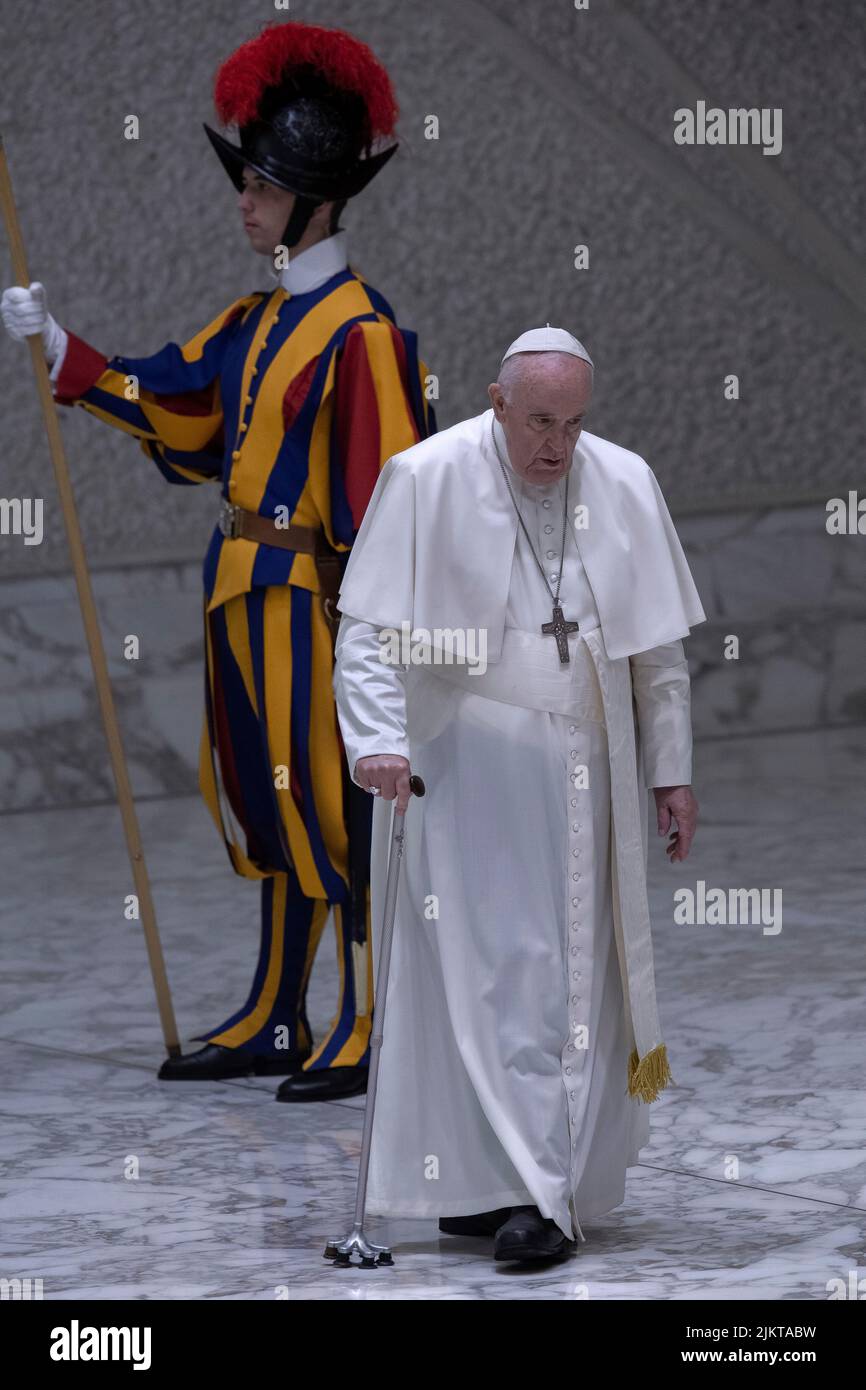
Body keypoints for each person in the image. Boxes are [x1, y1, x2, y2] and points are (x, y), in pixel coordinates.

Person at [1, 20, 435, 1101]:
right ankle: (275, 1011)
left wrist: (379, 639)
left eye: (263, 183)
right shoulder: (260, 315)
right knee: (265, 795)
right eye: (245, 179)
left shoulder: (361, 334)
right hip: (242, 594)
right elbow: (182, 403)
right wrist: (60, 350)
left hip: (317, 605)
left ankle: (367, 1015)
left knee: (337, 809)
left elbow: (394, 502)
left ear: (318, 200)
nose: (243, 199)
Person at [332, 327, 706, 1260]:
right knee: (487, 974)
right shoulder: (425, 477)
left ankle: (545, 1196)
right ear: (496, 402)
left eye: (573, 425)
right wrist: (375, 742)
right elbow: (368, 632)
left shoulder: (621, 478)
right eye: (539, 421)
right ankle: (489, 1181)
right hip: (464, 770)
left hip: (592, 766)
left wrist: (672, 771)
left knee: (564, 976)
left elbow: (657, 654)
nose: (556, 446)